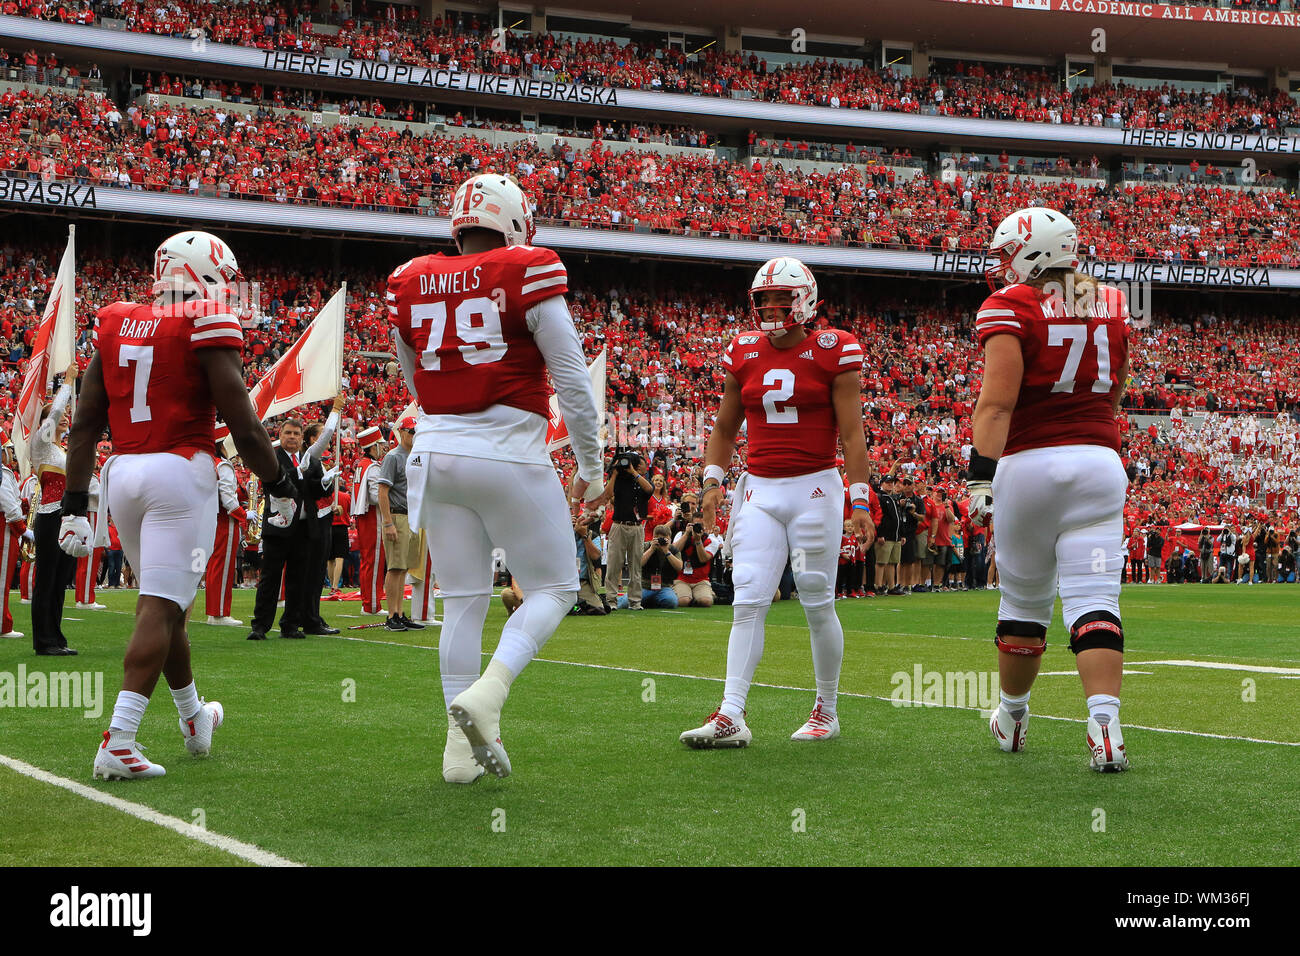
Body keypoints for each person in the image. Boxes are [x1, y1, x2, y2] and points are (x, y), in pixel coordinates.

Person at [387, 173, 603, 783]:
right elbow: (572, 380)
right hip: (506, 450)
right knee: (556, 588)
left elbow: (415, 380)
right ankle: (490, 693)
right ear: (514, 224)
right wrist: (589, 465)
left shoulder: (409, 279)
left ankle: (458, 756)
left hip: (436, 451)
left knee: (462, 602)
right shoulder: (528, 269)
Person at [58, 229, 297, 780]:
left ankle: (194, 719)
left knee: (167, 605)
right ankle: (118, 739)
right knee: (161, 608)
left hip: (123, 474)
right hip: (178, 471)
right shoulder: (203, 320)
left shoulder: (119, 319)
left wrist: (75, 504)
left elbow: (86, 423)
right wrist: (281, 485)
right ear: (203, 274)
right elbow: (243, 421)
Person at [681, 256, 875, 749]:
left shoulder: (834, 348)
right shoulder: (743, 350)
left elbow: (852, 435)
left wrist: (858, 500)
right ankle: (731, 714)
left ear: (805, 301)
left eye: (779, 298)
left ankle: (826, 710)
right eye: (762, 299)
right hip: (761, 491)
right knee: (746, 599)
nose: (769, 308)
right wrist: (711, 482)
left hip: (814, 489)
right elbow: (725, 428)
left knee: (815, 600)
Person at [971, 206, 1132, 772]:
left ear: (1031, 251)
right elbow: (1113, 396)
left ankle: (1013, 717)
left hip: (1032, 465)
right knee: (1095, 602)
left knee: (1023, 603)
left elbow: (997, 402)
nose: (999, 264)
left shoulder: (1011, 305)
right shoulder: (1110, 301)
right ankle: (1105, 725)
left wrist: (979, 476)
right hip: (1098, 462)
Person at [247, 417, 318, 641]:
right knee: (270, 578)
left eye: (297, 434)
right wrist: (302, 476)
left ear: (302, 438)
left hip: (304, 527)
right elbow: (279, 485)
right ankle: (260, 625)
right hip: (278, 526)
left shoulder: (309, 460)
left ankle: (291, 624)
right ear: (280, 435)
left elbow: (315, 489)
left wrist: (324, 483)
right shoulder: (273, 458)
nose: (292, 438)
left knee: (298, 579)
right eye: (288, 433)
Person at [31, 363, 78, 656]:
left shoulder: (61, 450)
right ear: (45, 421)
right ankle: (43, 640)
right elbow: (58, 410)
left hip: (65, 517)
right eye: (56, 416)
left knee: (61, 580)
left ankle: (56, 636)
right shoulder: (41, 444)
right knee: (46, 578)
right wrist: (69, 382)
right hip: (48, 516)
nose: (63, 418)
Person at [375, 416, 424, 632]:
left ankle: (400, 613)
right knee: (395, 566)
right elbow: (383, 491)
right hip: (398, 515)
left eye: (416, 432)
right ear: (401, 432)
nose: (414, 435)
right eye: (411, 431)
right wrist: (387, 522)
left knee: (404, 567)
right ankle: (392, 615)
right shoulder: (393, 457)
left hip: (412, 516)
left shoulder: (416, 456)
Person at [299, 398, 343, 635]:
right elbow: (327, 434)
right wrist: (335, 411)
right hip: (314, 523)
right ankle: (310, 618)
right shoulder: (308, 457)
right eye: (318, 438)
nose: (324, 442)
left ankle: (313, 616)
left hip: (324, 518)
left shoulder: (316, 460)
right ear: (311, 440)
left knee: (317, 573)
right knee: (313, 571)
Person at [204, 425, 248, 626]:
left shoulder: (206, 462)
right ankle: (219, 612)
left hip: (210, 520)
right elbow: (228, 501)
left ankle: (215, 611)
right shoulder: (222, 465)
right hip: (225, 521)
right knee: (222, 567)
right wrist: (245, 515)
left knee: (215, 566)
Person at [602, 447, 652, 608]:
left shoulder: (641, 481)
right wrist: (615, 473)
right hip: (619, 525)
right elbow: (607, 495)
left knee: (635, 565)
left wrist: (633, 473)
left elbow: (649, 490)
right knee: (613, 564)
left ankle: (635, 601)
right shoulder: (619, 481)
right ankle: (610, 600)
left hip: (637, 526)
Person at [349, 426, 388, 613]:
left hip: (364, 517)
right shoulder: (372, 467)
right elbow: (375, 496)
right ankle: (372, 605)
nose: (382, 447)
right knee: (374, 561)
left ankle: (369, 601)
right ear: (372, 447)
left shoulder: (361, 464)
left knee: (368, 561)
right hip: (373, 517)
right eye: (379, 444)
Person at [672, 494, 720, 607]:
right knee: (683, 601)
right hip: (682, 578)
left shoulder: (711, 539)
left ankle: (704, 594)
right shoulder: (681, 534)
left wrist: (698, 540)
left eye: (701, 525)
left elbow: (703, 558)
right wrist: (687, 534)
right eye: (696, 525)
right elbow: (674, 550)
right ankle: (689, 595)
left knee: (705, 602)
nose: (698, 528)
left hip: (701, 579)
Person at [0, 441, 26, 639]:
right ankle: (3, 625)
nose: (11, 453)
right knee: (3, 580)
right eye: (8, 449)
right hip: (4, 529)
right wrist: (23, 528)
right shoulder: (4, 473)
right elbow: (7, 503)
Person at [623, 524, 679, 608]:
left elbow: (679, 567)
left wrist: (666, 551)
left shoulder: (673, 550)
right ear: (653, 537)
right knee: (625, 603)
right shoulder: (646, 546)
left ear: (669, 538)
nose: (661, 541)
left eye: (664, 538)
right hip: (644, 586)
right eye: (658, 538)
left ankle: (648, 602)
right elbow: (638, 564)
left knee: (671, 602)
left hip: (664, 587)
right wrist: (651, 549)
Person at [73, 471, 106, 610]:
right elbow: (97, 494)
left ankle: (82, 596)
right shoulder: (89, 476)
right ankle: (86, 599)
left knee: (85, 560)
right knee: (90, 557)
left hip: (88, 514)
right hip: (91, 513)